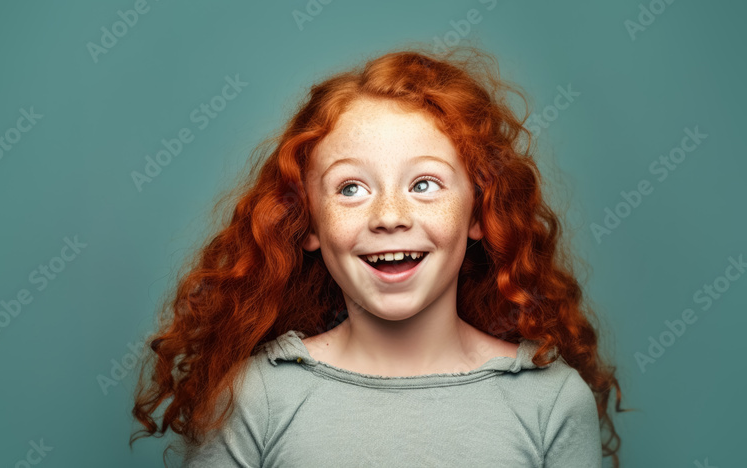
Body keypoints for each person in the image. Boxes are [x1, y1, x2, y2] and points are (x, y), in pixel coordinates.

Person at [129, 43, 630, 468]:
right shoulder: (254, 398)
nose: (389, 215)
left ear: (480, 212)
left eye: (425, 184)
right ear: (308, 223)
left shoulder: (551, 401)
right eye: (350, 188)